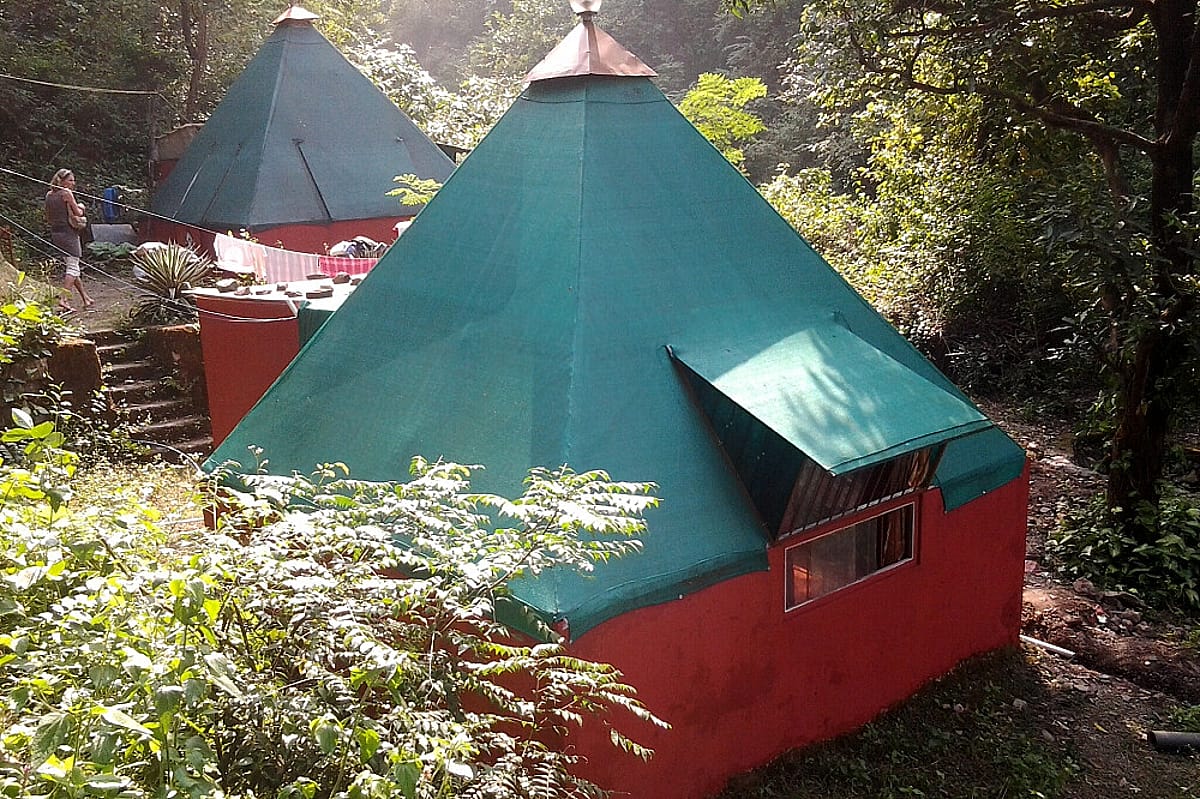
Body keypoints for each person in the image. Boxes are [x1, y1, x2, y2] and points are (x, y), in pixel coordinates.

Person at [44, 168, 94, 313]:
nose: (73, 183)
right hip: (69, 233)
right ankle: (63, 299)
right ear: (63, 181)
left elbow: (47, 216)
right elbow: (78, 212)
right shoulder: (66, 193)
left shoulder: (49, 195)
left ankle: (86, 298)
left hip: (56, 233)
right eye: (70, 180)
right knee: (73, 267)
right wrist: (81, 207)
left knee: (72, 265)